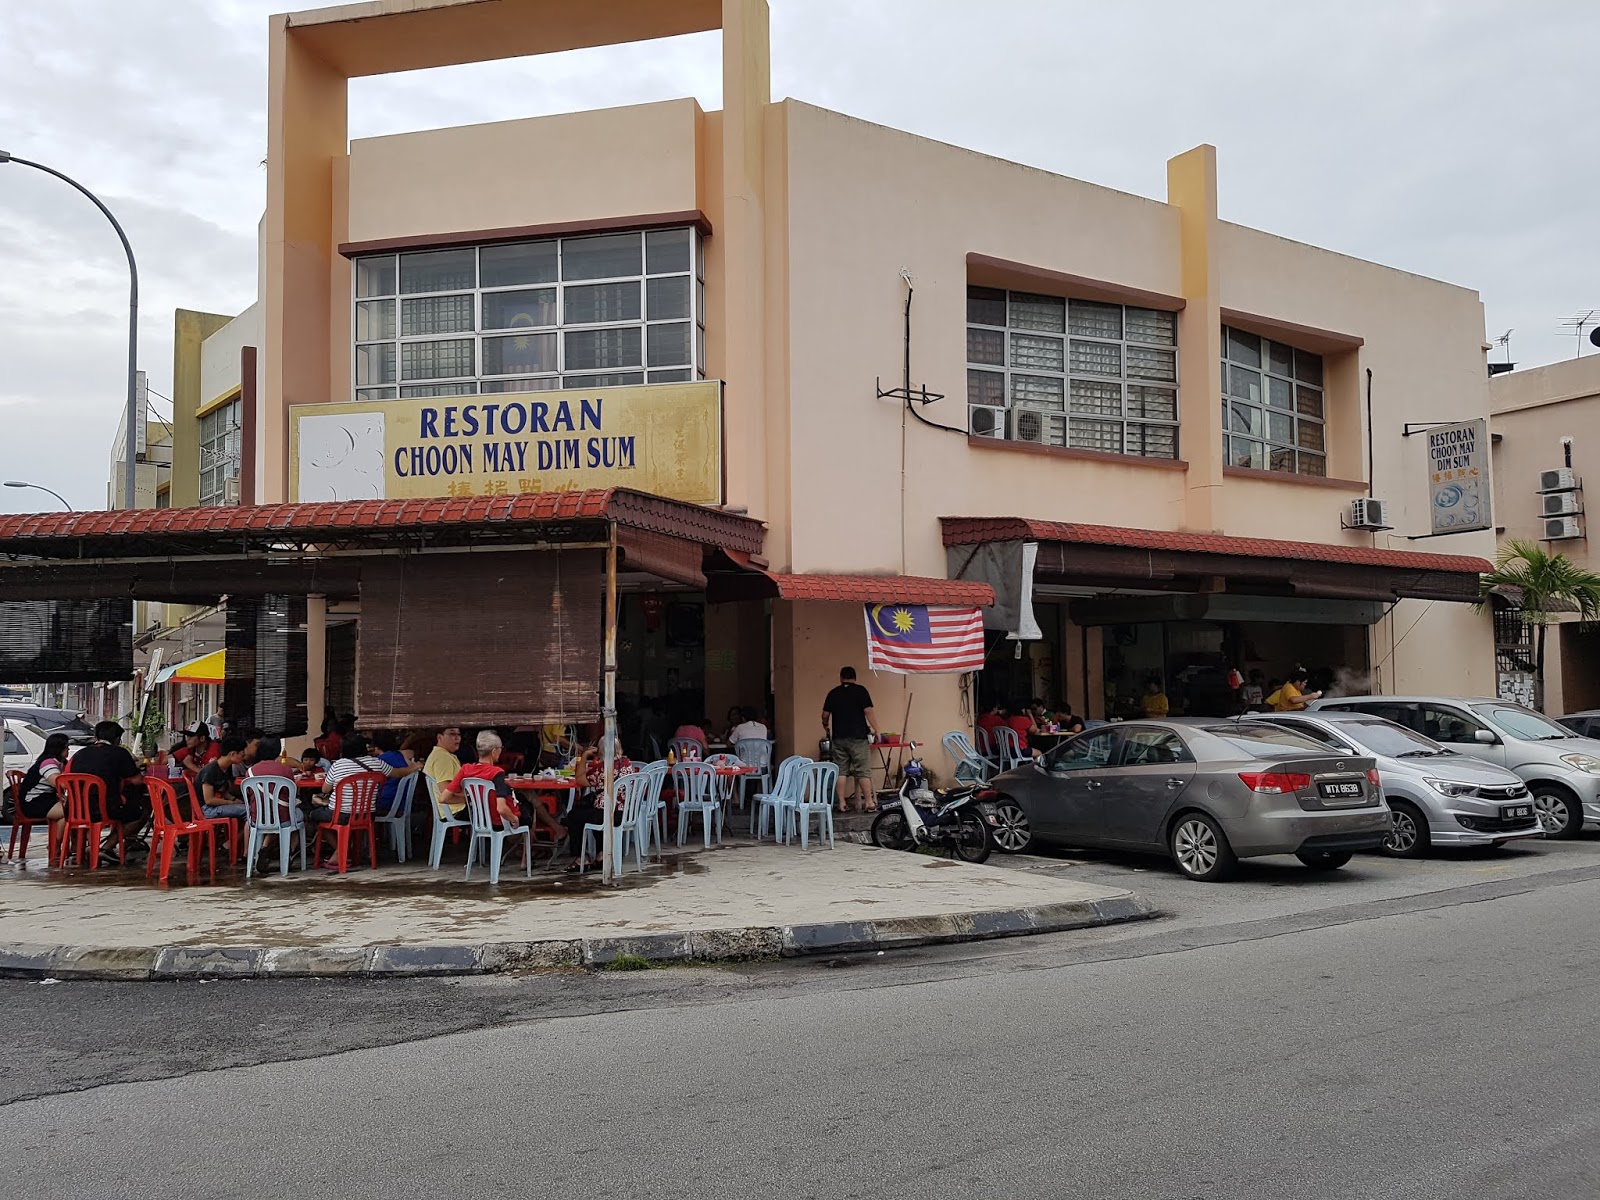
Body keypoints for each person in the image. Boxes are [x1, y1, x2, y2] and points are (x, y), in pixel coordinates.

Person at [67, 720, 151, 865]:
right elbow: (138, 780)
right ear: (117, 739)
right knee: (140, 813)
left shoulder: (79, 754)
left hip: (75, 810)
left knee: (117, 808)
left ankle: (83, 850)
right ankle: (106, 848)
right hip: (105, 809)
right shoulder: (119, 753)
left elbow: (65, 777)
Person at [563, 743, 637, 873]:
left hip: (609, 815)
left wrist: (585, 754)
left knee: (574, 816)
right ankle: (601, 854)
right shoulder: (627, 763)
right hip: (625, 812)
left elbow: (580, 779)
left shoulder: (601, 769)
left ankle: (581, 858)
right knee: (594, 811)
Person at [437, 730, 523, 830]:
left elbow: (443, 798)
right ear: (494, 751)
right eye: (501, 748)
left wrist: (472, 799)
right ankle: (513, 844)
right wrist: (514, 819)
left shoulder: (465, 769)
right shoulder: (497, 772)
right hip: (499, 823)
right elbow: (501, 809)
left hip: (477, 821)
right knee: (528, 812)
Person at [822, 666, 877, 812]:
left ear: (841, 678)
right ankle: (869, 802)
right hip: (858, 737)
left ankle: (841, 803)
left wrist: (825, 726)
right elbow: (868, 711)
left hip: (839, 738)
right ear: (855, 677)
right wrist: (876, 729)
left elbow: (825, 715)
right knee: (863, 770)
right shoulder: (861, 691)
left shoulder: (833, 693)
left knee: (841, 771)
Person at [15, 732, 71, 832]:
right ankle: (57, 847)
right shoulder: (48, 763)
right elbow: (59, 783)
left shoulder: (61, 763)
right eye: (67, 746)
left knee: (72, 811)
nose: (69, 749)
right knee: (73, 811)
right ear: (59, 748)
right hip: (34, 802)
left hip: (47, 799)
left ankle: (57, 846)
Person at [196, 736, 249, 822]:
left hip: (217, 805)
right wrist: (230, 803)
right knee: (249, 811)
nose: (243, 758)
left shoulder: (227, 768)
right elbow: (209, 800)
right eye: (242, 755)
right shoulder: (210, 770)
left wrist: (234, 799)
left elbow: (223, 792)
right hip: (207, 809)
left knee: (250, 808)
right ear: (233, 754)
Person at [369, 729, 414, 815]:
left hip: (388, 803)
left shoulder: (379, 762)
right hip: (402, 802)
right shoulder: (400, 756)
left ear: (376, 746)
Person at [424, 727, 464, 814]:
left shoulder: (442, 754)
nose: (457, 738)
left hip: (452, 809)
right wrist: (471, 798)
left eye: (459, 734)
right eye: (452, 734)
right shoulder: (442, 757)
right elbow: (446, 792)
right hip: (455, 810)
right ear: (439, 737)